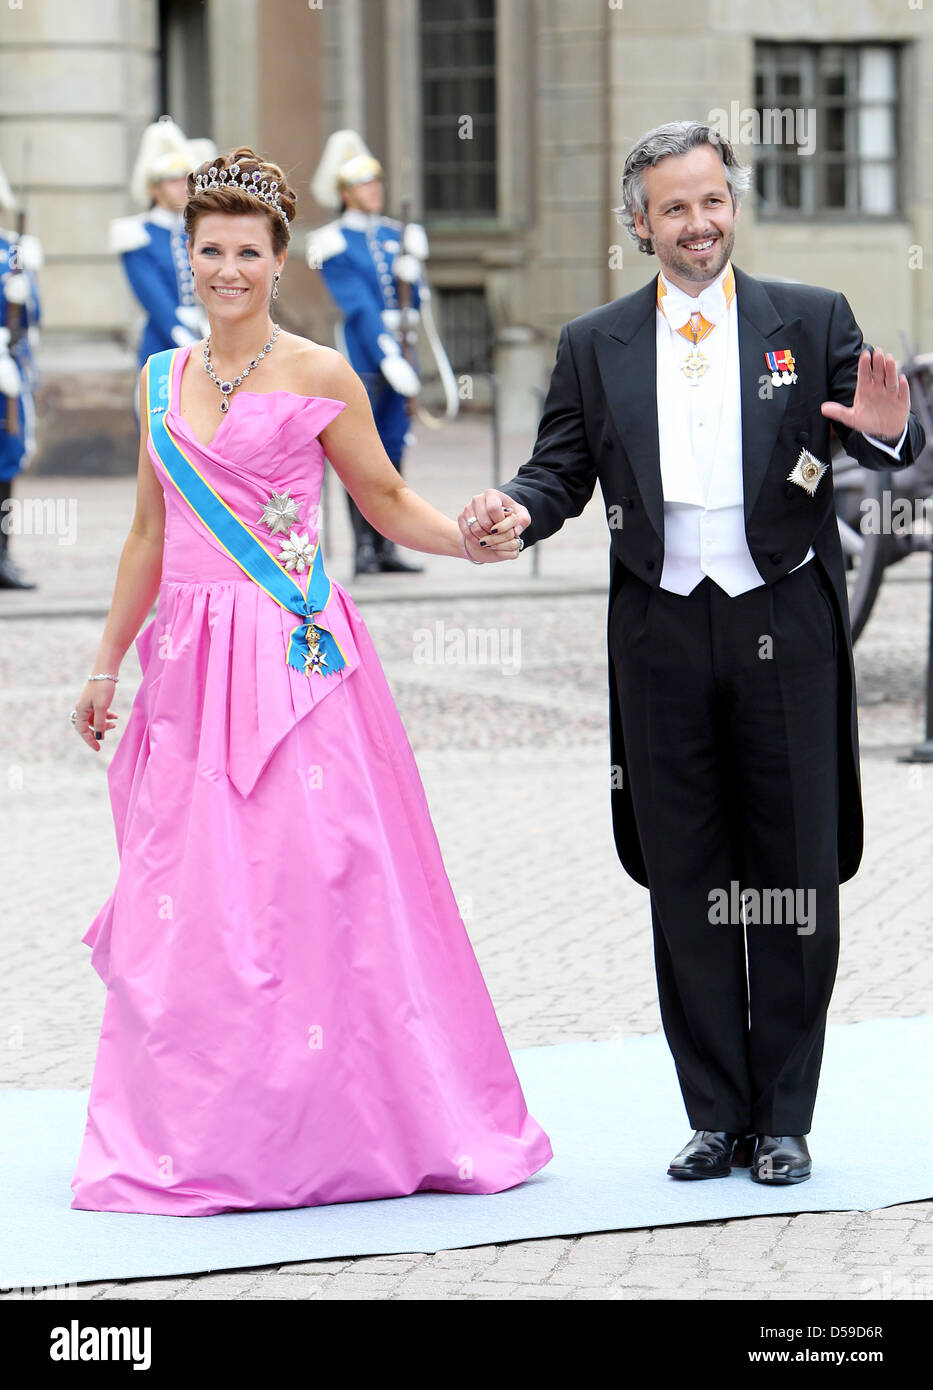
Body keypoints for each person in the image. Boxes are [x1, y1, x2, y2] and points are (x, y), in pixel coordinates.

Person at [68, 145, 549, 1216]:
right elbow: (149, 534)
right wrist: (109, 661)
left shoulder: (323, 372)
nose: (227, 269)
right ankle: (207, 1126)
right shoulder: (160, 380)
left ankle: (350, 1119)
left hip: (297, 662)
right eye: (210, 251)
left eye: (248, 251)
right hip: (189, 671)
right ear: (187, 258)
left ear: (280, 260)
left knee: (325, 888)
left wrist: (466, 542)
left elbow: (382, 500)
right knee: (192, 905)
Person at [460, 121, 925, 1187]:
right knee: (687, 878)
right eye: (675, 207)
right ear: (640, 224)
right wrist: (512, 514)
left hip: (787, 627)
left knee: (795, 874)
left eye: (713, 201)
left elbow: (881, 433)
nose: (699, 222)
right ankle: (716, 1114)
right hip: (662, 632)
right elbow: (557, 472)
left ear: (734, 204)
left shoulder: (809, 321)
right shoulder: (594, 342)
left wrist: (897, 432)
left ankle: (787, 1117)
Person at [307, 130, 426, 576]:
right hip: (363, 360)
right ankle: (361, 547)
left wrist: (415, 276)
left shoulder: (397, 235)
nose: (374, 191)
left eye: (376, 183)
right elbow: (357, 305)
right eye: (363, 185)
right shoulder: (331, 243)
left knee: (394, 445)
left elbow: (415, 302)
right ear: (344, 193)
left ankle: (387, 545)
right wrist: (386, 355)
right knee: (359, 453)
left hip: (401, 355)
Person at [109, 117, 215, 413]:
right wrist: (185, 336)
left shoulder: (200, 229)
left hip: (212, 331)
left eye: (185, 178)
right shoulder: (137, 235)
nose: (182, 186)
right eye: (172, 180)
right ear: (154, 189)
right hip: (163, 338)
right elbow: (153, 299)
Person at [0, 159, 42, 590]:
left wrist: (24, 296)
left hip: (6, 373)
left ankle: (2, 557)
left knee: (4, 464)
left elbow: (34, 316)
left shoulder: (12, 250)